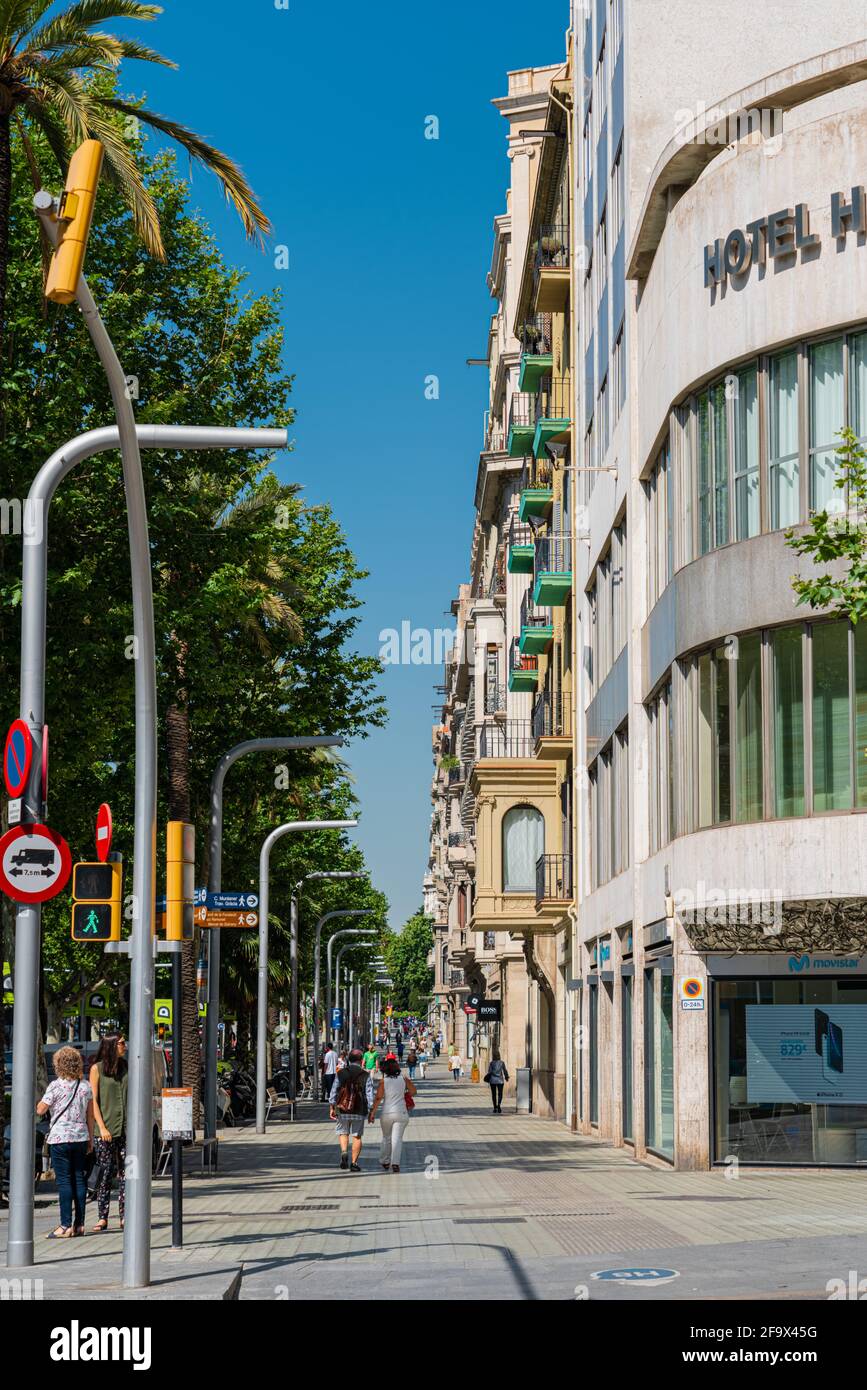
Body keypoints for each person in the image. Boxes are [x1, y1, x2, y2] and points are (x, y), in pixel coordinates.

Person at [37, 1046, 94, 1239]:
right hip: (80, 1138)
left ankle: (65, 1225)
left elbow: (40, 1110)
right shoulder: (85, 1086)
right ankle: (80, 1225)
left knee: (64, 1182)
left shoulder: (55, 1086)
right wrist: (91, 1140)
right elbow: (90, 1116)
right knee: (79, 1179)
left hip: (60, 1139)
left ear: (59, 1065)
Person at [88, 1034, 128, 1231]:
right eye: (121, 1043)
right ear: (112, 1046)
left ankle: (125, 1215)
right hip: (105, 1130)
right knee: (105, 1173)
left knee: (128, 1174)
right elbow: (93, 1100)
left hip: (127, 1130)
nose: (125, 1046)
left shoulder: (127, 1067)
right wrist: (102, 1127)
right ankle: (102, 1216)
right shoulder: (97, 1069)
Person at [329, 1048, 374, 1172]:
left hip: (342, 1108)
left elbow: (334, 1091)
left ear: (349, 1059)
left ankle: (344, 1152)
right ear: (361, 1061)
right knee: (357, 1136)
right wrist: (371, 1111)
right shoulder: (365, 1075)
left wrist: (332, 1106)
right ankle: (354, 1163)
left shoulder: (341, 1073)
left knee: (343, 1133)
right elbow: (369, 1094)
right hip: (359, 1109)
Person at [369, 1056, 416, 1174]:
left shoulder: (384, 1081)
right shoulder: (404, 1079)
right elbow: (414, 1092)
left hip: (387, 1113)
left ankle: (385, 1161)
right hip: (401, 1112)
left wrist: (372, 1112)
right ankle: (395, 1163)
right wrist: (404, 1091)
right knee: (397, 1139)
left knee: (386, 1137)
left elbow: (378, 1097)